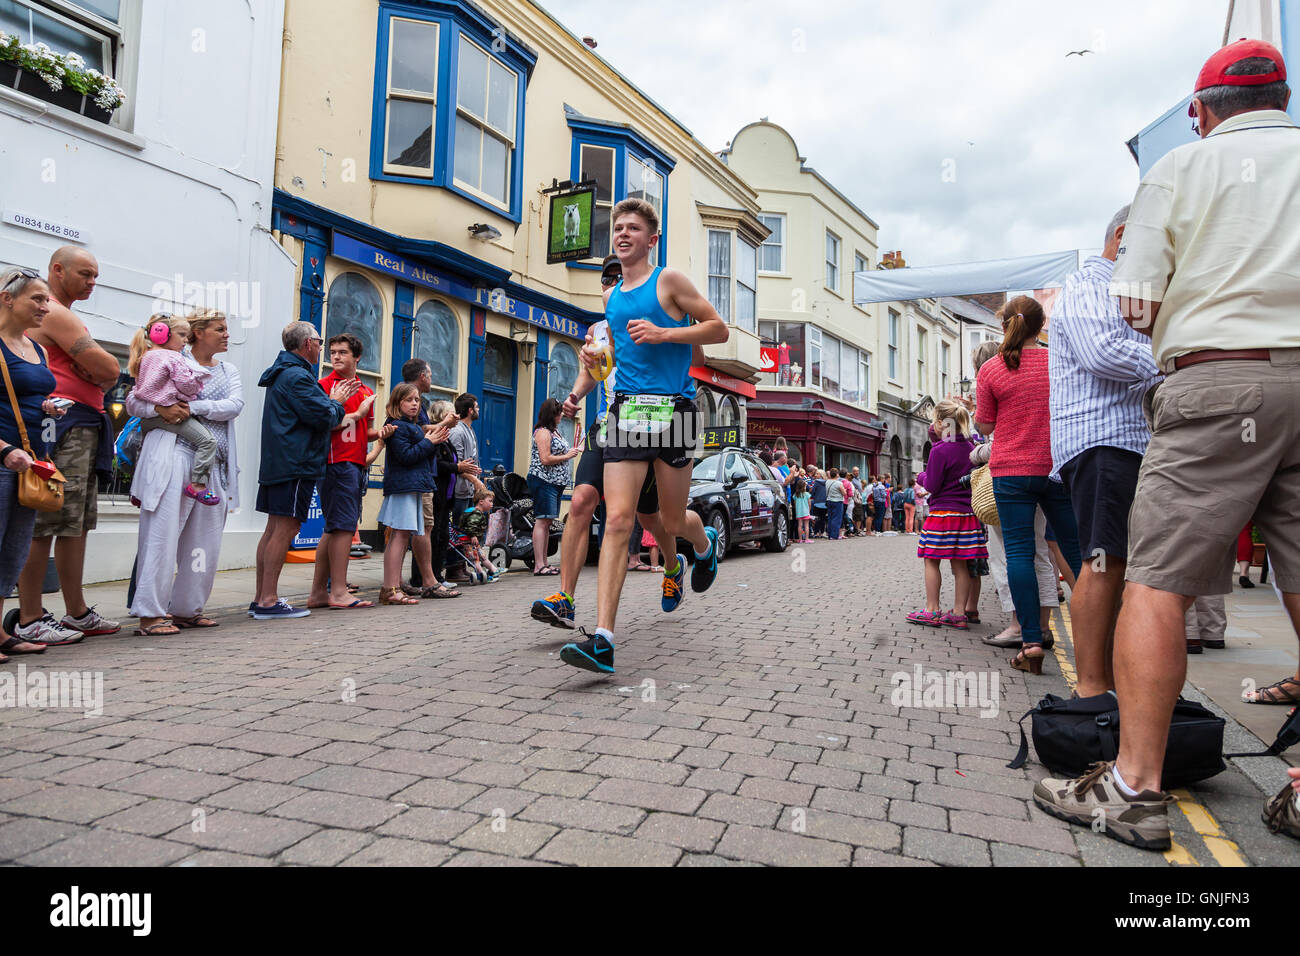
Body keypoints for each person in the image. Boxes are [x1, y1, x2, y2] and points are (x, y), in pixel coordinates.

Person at [1034, 39, 1300, 849]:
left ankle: (1134, 787)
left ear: (1198, 113)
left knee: (1155, 582)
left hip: (1218, 380)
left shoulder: (1176, 173)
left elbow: (1138, 307)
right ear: (1283, 97)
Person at [558, 197, 728, 674]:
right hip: (628, 410)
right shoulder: (611, 299)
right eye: (618, 228)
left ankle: (703, 541)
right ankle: (604, 638)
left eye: (633, 228)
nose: (623, 234)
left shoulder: (668, 281)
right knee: (618, 520)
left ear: (651, 239)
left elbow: (719, 330)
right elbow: (617, 359)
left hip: (676, 411)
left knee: (672, 521)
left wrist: (665, 333)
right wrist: (595, 366)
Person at [1048, 205, 1162, 696]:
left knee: (1118, 564)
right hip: (1103, 441)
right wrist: (1175, 356)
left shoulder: (1120, 291)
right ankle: (1091, 690)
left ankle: (1109, 684)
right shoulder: (1091, 284)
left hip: (1119, 442)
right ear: (1122, 236)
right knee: (1103, 562)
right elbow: (1104, 353)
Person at [531, 254, 677, 627]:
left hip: (655, 426)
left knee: (653, 518)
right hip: (608, 426)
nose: (612, 284)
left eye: (620, 277)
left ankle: (674, 566)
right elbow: (594, 373)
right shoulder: (597, 330)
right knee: (580, 501)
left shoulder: (655, 318)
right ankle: (565, 598)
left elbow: (685, 358)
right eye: (606, 279)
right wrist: (575, 396)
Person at [16, 247, 121, 644]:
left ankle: (75, 611)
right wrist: (97, 373)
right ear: (57, 270)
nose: (92, 282)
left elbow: (107, 372)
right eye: (86, 274)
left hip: (82, 425)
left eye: (96, 276)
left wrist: (99, 373)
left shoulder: (62, 314)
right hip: (62, 428)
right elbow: (110, 369)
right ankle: (29, 615)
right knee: (47, 520)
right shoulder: (55, 313)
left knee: (75, 524)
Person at [974, 296, 1083, 675]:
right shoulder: (1062, 361)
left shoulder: (992, 368)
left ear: (1005, 325)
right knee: (1072, 550)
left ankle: (1031, 642)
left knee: (1019, 553)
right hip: (1059, 467)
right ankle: (1096, 635)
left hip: (1011, 472)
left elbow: (985, 426)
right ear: (1042, 324)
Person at [126, 309, 243, 636]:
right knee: (161, 536)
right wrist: (160, 409)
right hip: (172, 454)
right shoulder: (169, 357)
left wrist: (193, 408)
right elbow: (135, 402)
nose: (226, 334)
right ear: (199, 332)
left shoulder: (228, 369)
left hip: (213, 463)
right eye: (219, 329)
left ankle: (186, 610)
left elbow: (235, 405)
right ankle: (150, 614)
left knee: (203, 544)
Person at [251, 321, 355, 619]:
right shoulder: (297, 377)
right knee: (285, 528)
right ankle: (268, 600)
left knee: (273, 528)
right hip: (295, 462)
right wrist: (337, 403)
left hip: (279, 460)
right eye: (320, 342)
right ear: (308, 344)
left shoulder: (283, 373)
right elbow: (322, 416)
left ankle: (261, 597)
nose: (322, 348)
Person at [0, 267, 66, 656]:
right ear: (8, 298)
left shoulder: (36, 348)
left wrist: (48, 407)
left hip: (31, 463)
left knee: (14, 549)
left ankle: (2, 632)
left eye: (47, 299)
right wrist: (5, 449)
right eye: (38, 299)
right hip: (5, 458)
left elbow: (25, 396)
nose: (46, 306)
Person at [306, 334, 377, 611]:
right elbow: (322, 424)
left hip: (355, 461)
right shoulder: (324, 386)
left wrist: (382, 435)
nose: (335, 357)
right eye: (333, 352)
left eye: (342, 352)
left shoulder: (366, 390)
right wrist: (357, 415)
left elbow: (364, 432)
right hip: (337, 462)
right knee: (344, 527)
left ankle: (318, 593)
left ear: (356, 357)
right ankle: (338, 591)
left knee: (333, 527)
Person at [908, 400, 986, 629]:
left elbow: (932, 483)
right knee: (961, 565)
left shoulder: (939, 450)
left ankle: (932, 609)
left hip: (942, 514)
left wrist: (921, 477)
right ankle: (959, 613)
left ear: (942, 423)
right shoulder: (971, 449)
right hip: (967, 515)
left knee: (931, 561)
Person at [128, 314, 220, 507]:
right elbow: (186, 385)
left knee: (143, 448)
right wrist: (197, 385)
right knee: (208, 441)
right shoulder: (173, 357)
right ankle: (197, 485)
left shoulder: (145, 357)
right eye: (181, 334)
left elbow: (135, 395)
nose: (185, 340)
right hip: (173, 415)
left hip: (148, 419)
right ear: (161, 334)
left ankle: (137, 490)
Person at [376, 383, 440, 605]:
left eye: (417, 400)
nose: (415, 404)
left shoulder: (406, 426)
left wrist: (429, 441)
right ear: (397, 403)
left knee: (401, 536)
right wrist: (429, 442)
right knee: (400, 536)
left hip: (411, 485)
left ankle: (392, 587)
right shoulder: (398, 426)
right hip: (404, 486)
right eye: (409, 400)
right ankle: (390, 588)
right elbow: (406, 456)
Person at [399, 358, 456, 596]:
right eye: (430, 375)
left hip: (422, 474)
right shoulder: (413, 406)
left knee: (415, 529)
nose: (414, 403)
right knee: (423, 527)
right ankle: (427, 581)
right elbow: (419, 434)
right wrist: (444, 424)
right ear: (422, 376)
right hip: (418, 475)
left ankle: (407, 581)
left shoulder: (419, 405)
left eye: (415, 401)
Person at [526, 398, 580, 576]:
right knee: (541, 521)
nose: (561, 416)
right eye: (558, 413)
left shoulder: (555, 432)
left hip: (556, 482)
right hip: (544, 481)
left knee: (548, 522)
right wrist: (568, 456)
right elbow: (545, 459)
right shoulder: (542, 432)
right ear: (551, 414)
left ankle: (545, 563)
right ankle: (538, 565)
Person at [444, 392, 482, 582]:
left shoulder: (470, 430)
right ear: (469, 410)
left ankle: (462, 565)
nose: (478, 409)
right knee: (457, 529)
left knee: (466, 529)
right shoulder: (458, 431)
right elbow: (456, 463)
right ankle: (452, 567)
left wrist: (476, 475)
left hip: (467, 489)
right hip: (458, 489)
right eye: (476, 407)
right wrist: (474, 480)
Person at [457, 488, 500, 583]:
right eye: (490, 501)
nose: (492, 504)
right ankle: (481, 573)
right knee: (475, 558)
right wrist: (473, 535)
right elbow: (471, 525)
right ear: (481, 502)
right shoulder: (475, 513)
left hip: (473, 541)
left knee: (482, 556)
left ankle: (494, 570)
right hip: (468, 541)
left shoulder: (477, 512)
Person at [824, 466, 845, 540]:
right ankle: (834, 535)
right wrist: (844, 490)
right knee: (837, 518)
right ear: (836, 474)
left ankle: (830, 534)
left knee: (830, 518)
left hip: (829, 501)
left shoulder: (827, 482)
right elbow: (844, 493)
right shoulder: (839, 483)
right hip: (837, 502)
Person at [792, 476, 811, 543]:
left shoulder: (795, 495)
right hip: (806, 511)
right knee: (806, 526)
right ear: (804, 487)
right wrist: (809, 510)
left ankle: (800, 539)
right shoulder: (807, 494)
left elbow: (795, 503)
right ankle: (806, 539)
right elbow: (809, 503)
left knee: (799, 525)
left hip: (799, 512)